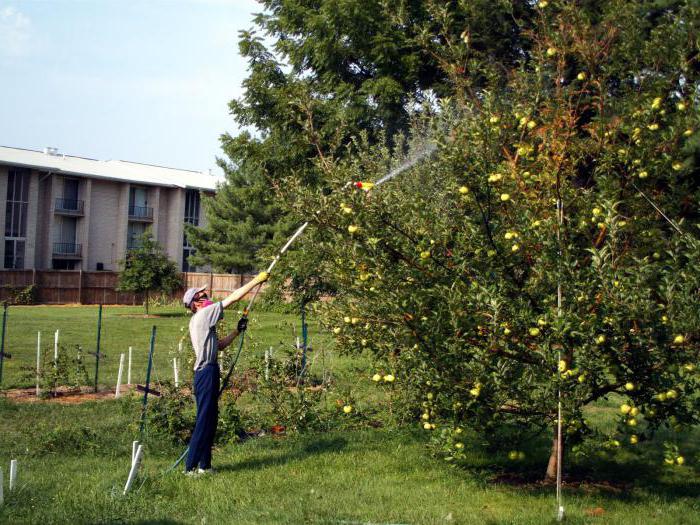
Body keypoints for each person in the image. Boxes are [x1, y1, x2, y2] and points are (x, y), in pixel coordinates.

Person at [182, 271, 269, 474]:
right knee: (204, 419)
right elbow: (234, 297)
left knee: (210, 420)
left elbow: (219, 345)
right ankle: (190, 468)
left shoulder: (203, 320)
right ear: (195, 303)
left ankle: (205, 466)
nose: (207, 296)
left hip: (209, 371)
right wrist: (256, 280)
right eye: (202, 295)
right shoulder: (203, 314)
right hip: (205, 373)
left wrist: (236, 332)